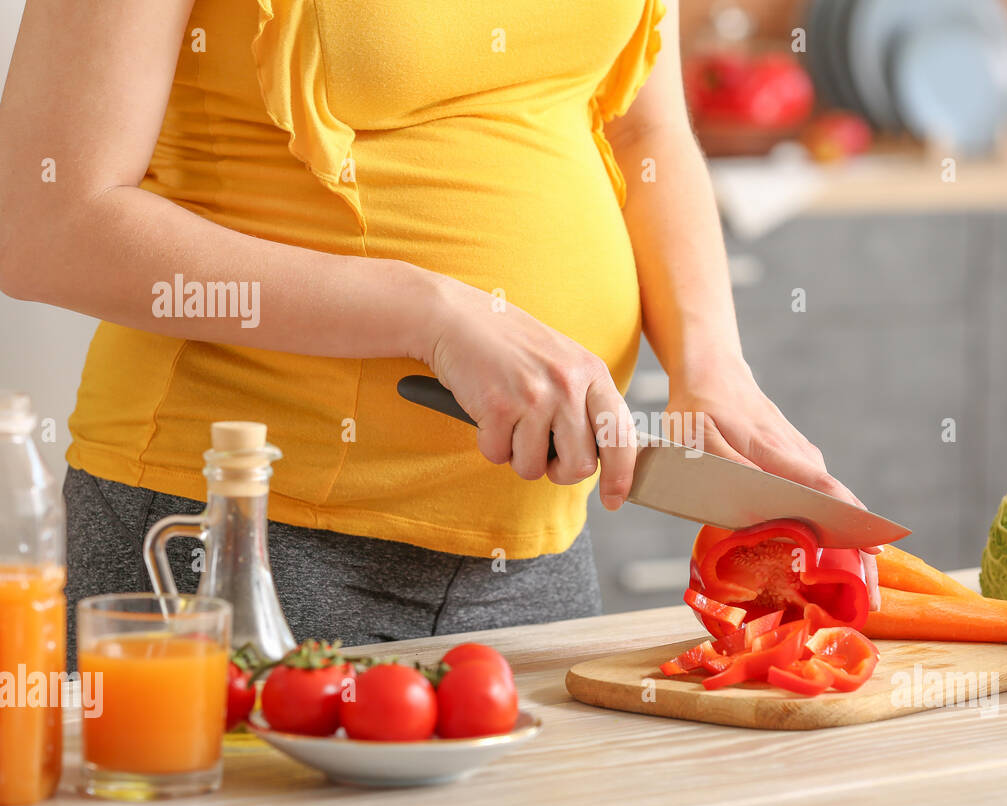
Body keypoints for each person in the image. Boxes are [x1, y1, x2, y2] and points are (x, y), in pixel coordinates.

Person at [0, 0, 866, 653]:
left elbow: (644, 122)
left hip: (534, 539)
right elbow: (42, 223)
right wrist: (433, 313)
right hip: (230, 533)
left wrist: (711, 364)